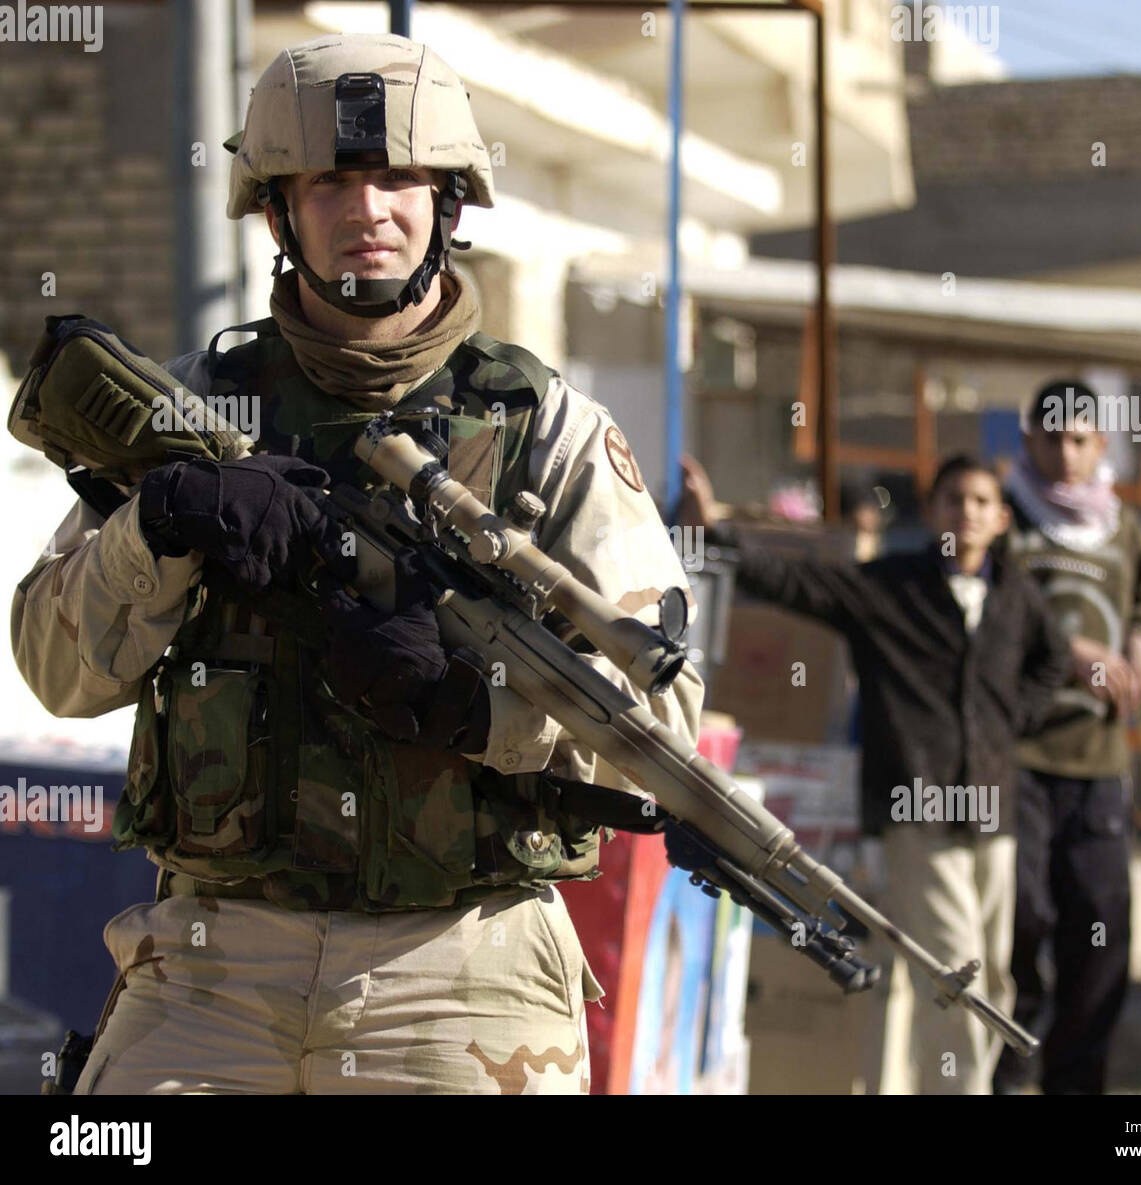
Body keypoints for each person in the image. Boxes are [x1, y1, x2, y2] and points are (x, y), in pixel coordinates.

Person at [10, 33, 703, 1095]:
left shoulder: (548, 431)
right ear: (280, 210)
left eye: (398, 178)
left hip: (465, 966)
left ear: (449, 205)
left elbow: (669, 724)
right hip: (212, 959)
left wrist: (483, 706)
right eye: (330, 180)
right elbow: (59, 671)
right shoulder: (195, 406)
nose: (366, 208)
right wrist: (155, 529)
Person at [679, 452, 1071, 1093]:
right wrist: (717, 528)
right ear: (933, 512)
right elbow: (797, 581)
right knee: (954, 970)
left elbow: (1052, 662)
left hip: (993, 813)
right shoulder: (892, 588)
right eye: (953, 500)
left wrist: (1012, 722)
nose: (966, 513)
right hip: (917, 810)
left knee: (994, 975)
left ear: (1000, 518)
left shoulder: (1017, 596)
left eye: (979, 502)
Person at [993, 379, 1141, 1095]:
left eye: (1080, 440)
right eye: (1051, 438)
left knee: (1100, 931)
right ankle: (1012, 1068)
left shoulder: (1119, 526)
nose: (1066, 455)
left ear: (1100, 444)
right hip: (1020, 759)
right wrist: (1071, 652)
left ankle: (1077, 1080)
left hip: (1097, 766)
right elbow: (989, 608)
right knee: (1023, 920)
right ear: (1028, 440)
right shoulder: (1006, 519)